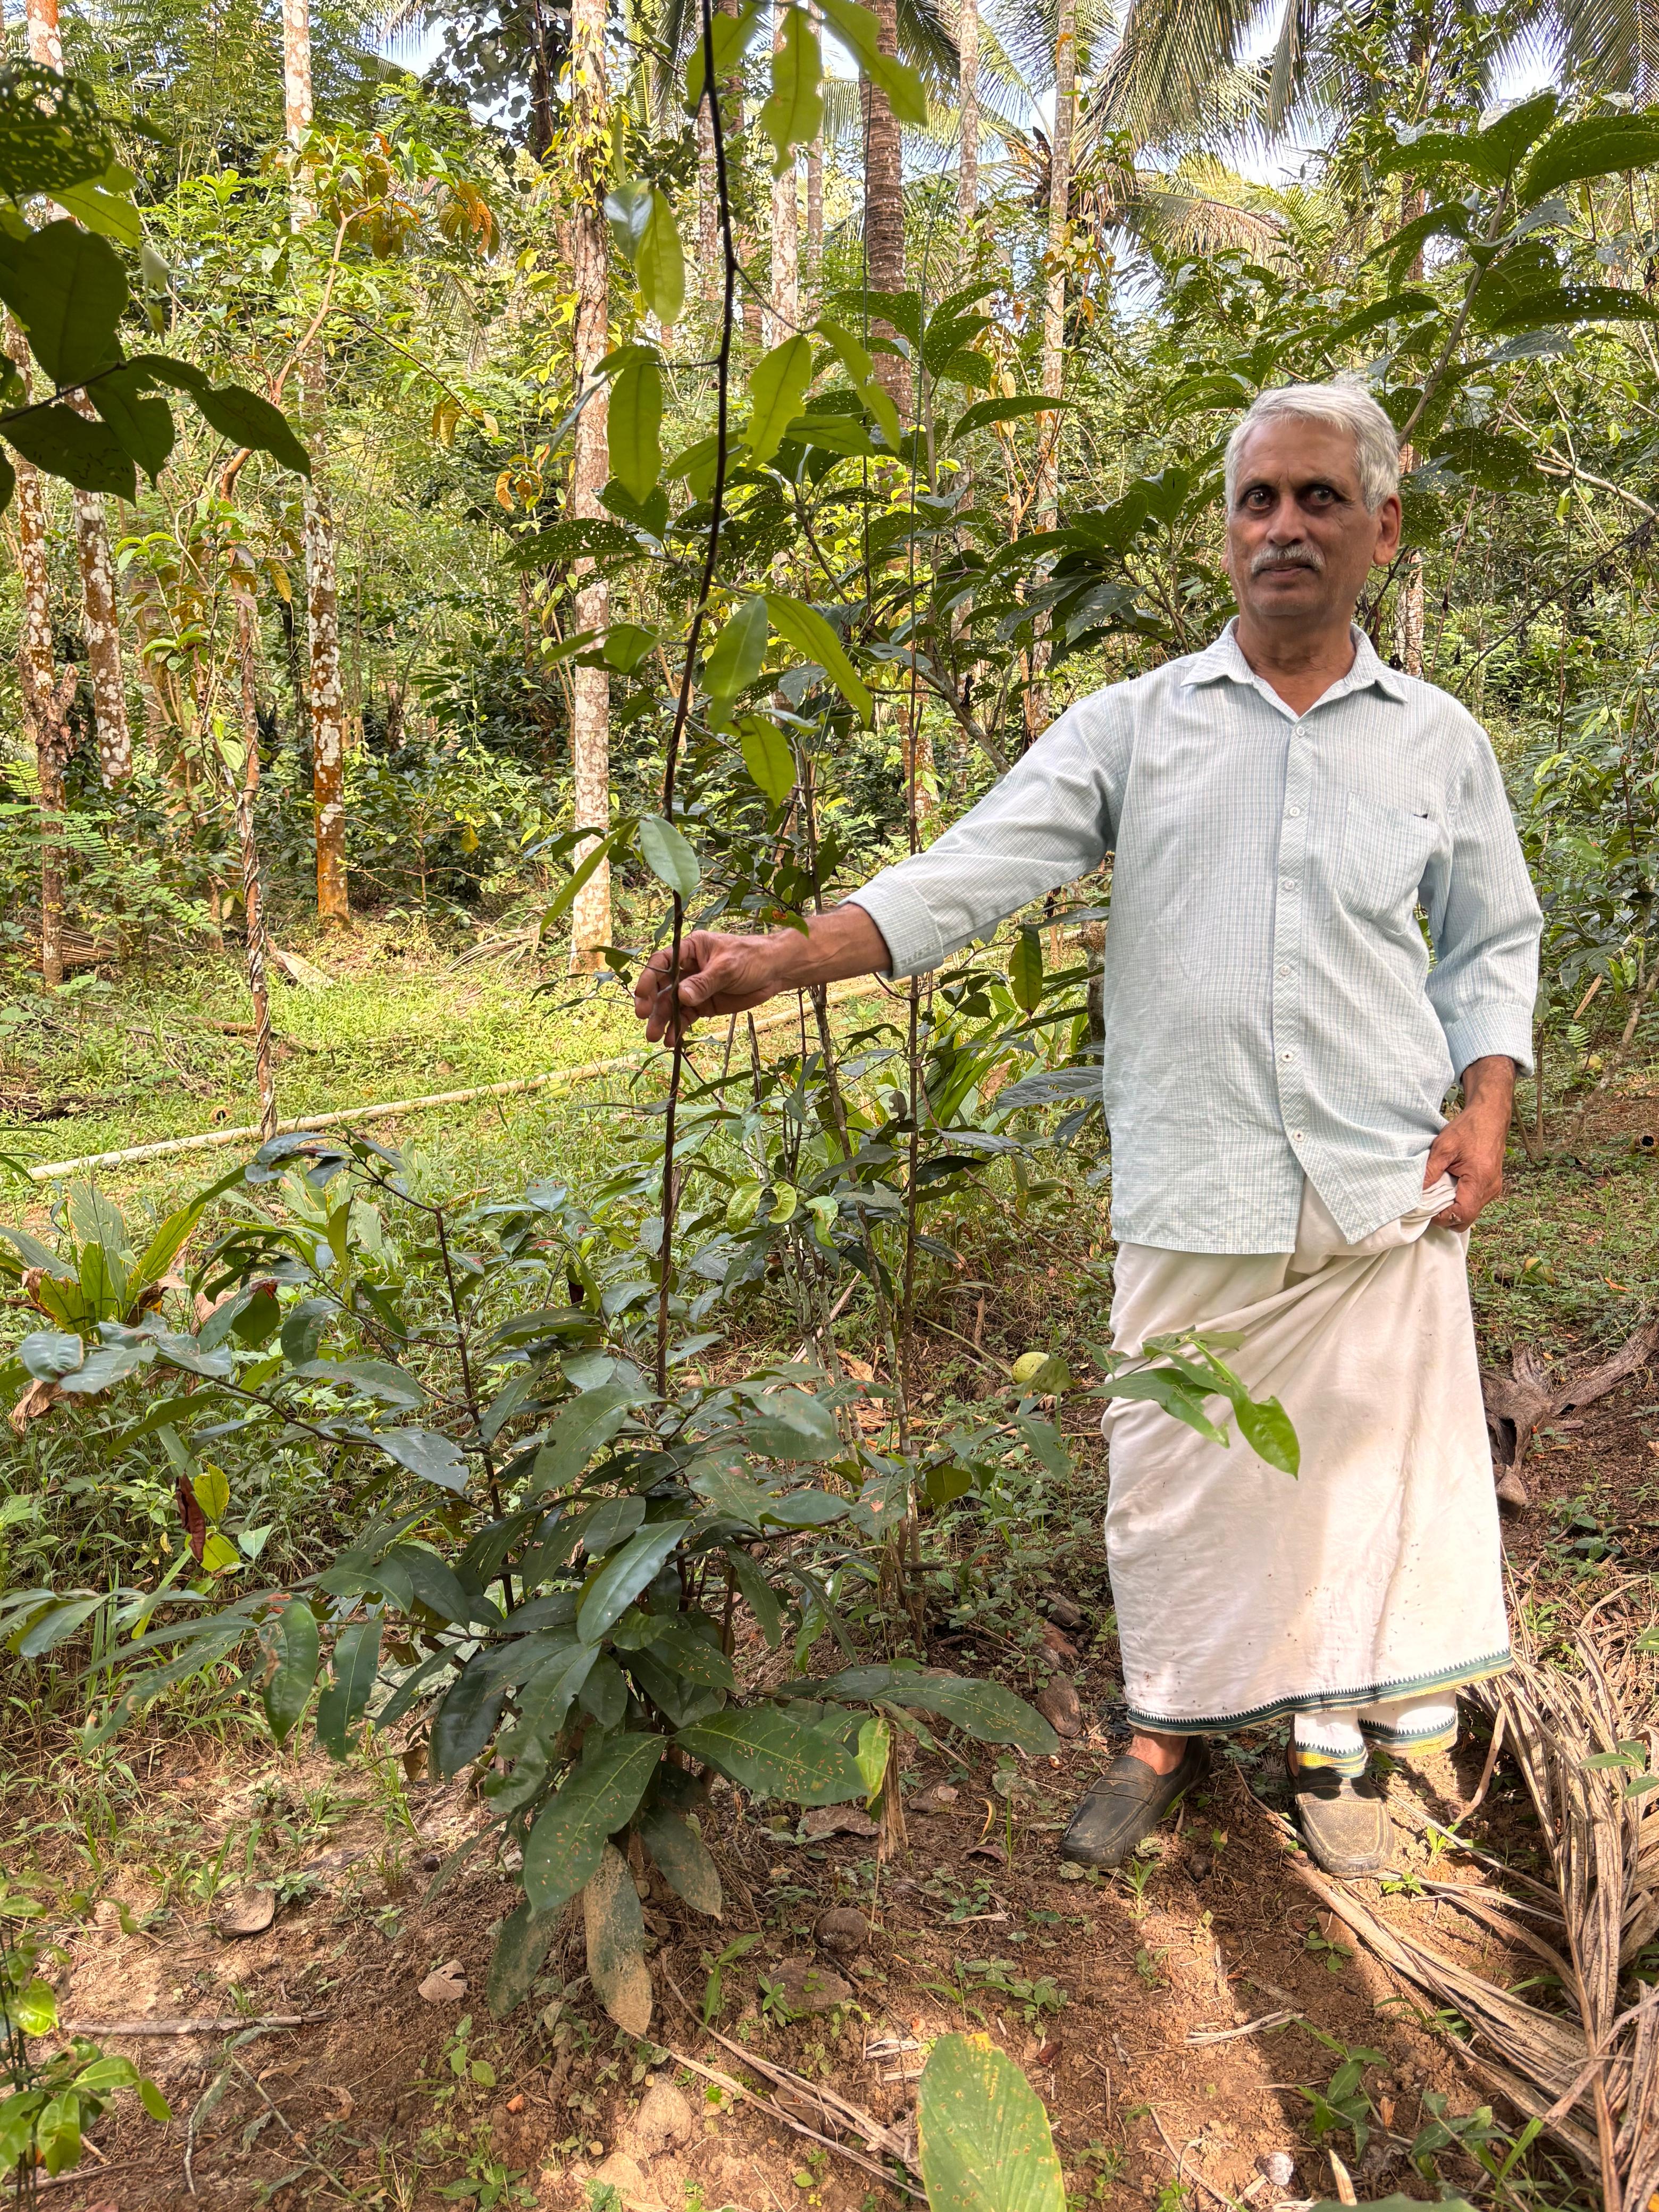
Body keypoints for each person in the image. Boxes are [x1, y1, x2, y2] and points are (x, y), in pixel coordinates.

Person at [632, 381, 1542, 1878]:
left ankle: (1339, 1727)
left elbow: (1490, 942)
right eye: (1259, 500)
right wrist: (788, 959)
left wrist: (1489, 1103)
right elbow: (973, 870)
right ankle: (1165, 1729)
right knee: (1175, 1468)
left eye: (1320, 499)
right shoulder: (1139, 726)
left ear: (1382, 526)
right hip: (1200, 1171)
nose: (1286, 528)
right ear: (1227, 532)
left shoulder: (1435, 741)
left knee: (1374, 1463)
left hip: (1381, 1176)